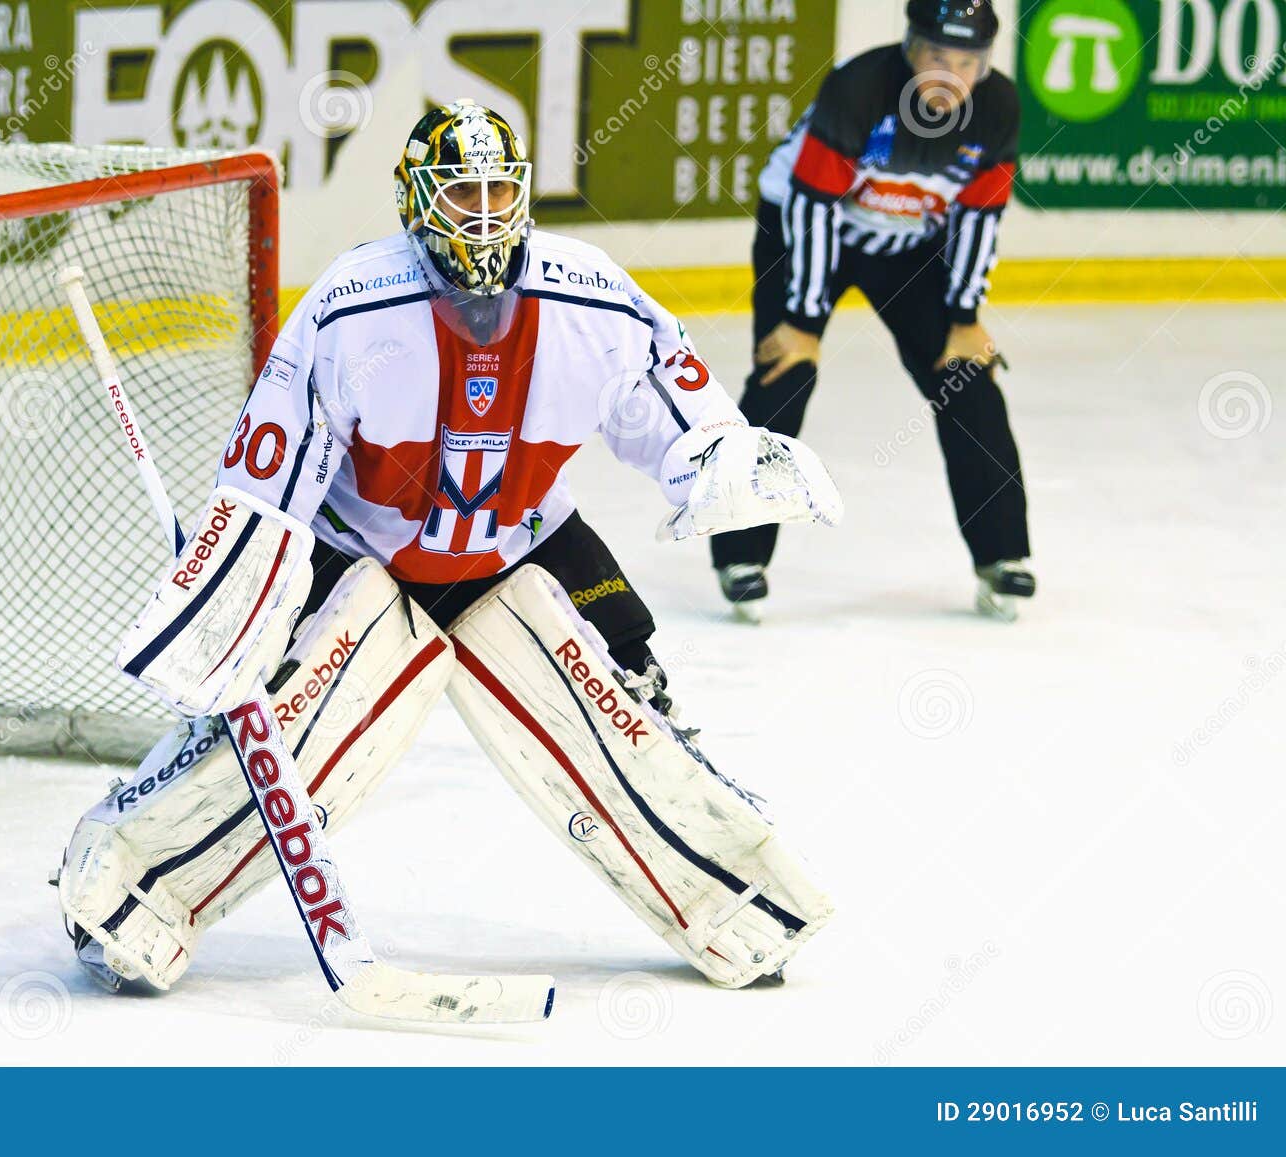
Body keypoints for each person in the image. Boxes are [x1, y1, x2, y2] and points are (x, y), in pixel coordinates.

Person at [57, 99, 841, 995]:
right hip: (366, 557)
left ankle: (743, 906)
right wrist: (232, 597)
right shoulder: (352, 308)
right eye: (458, 189)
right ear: (413, 199)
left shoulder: (591, 298)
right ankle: (123, 893)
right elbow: (268, 486)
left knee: (637, 726)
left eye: (498, 188)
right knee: (280, 740)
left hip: (528, 543)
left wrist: (725, 457)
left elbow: (673, 408)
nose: (481, 210)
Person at [712, 0, 1036, 621]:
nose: (950, 74)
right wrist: (803, 325)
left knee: (966, 377)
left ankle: (1002, 557)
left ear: (986, 64)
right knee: (785, 373)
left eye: (967, 61)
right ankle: (739, 555)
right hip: (808, 230)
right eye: (938, 56)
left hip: (907, 246)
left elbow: (980, 215)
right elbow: (810, 203)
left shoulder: (998, 106)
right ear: (910, 47)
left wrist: (965, 317)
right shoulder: (861, 85)